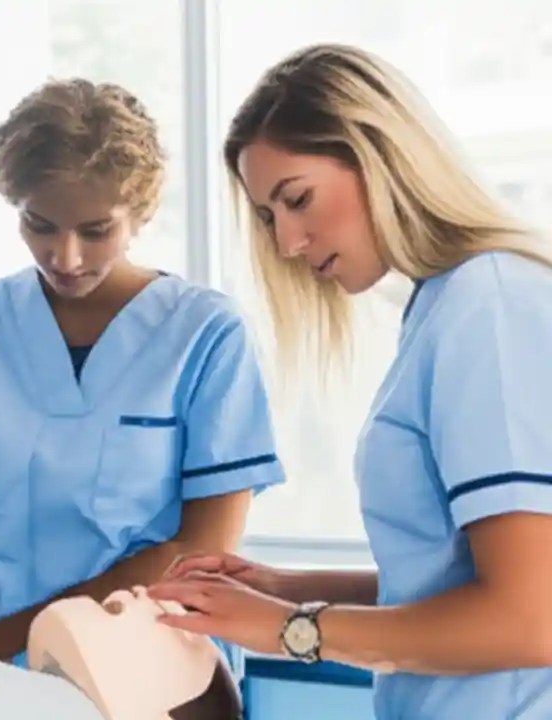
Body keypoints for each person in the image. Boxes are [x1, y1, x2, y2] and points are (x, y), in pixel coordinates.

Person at [150, 43, 552, 720]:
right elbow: (448, 580)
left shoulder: (488, 303)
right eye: (269, 217)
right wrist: (281, 589)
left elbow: (528, 616)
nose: (287, 243)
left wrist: (292, 629)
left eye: (297, 199)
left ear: (378, 153)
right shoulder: (450, 306)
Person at [0, 79, 284, 710]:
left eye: (96, 230)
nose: (64, 256)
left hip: (159, 676)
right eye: (38, 225)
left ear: (142, 212)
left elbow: (199, 549)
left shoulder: (205, 333)